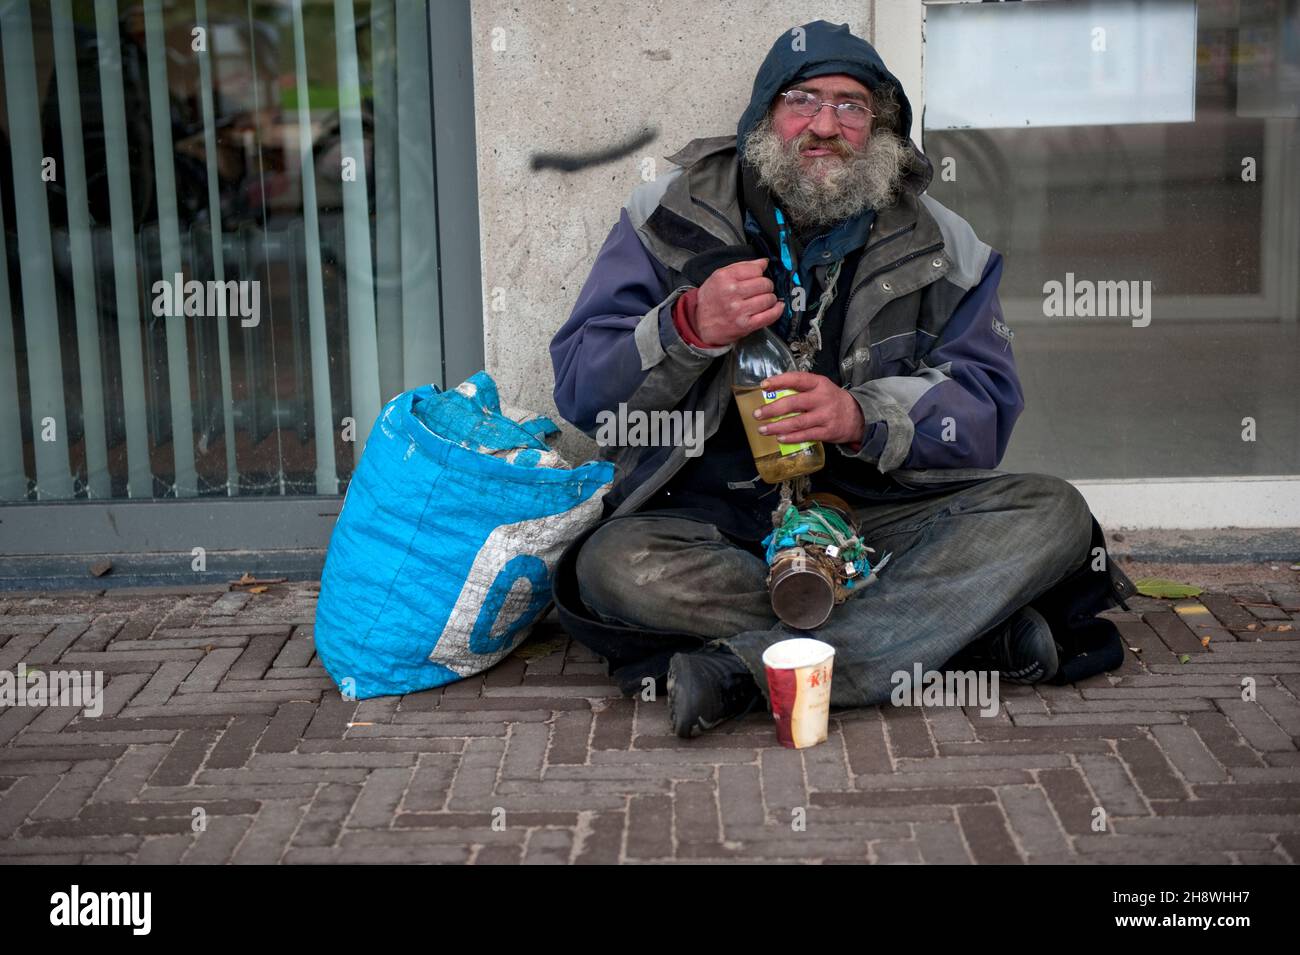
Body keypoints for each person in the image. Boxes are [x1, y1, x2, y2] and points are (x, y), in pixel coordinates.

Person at [549, 20, 1134, 738]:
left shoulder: (943, 244)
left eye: (851, 106)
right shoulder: (668, 215)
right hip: (710, 520)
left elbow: (986, 404)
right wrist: (689, 323)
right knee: (612, 566)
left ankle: (748, 668)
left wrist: (863, 416)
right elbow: (580, 388)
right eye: (802, 100)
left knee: (1057, 513)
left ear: (880, 128)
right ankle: (954, 634)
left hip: (874, 517)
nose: (824, 125)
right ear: (765, 115)